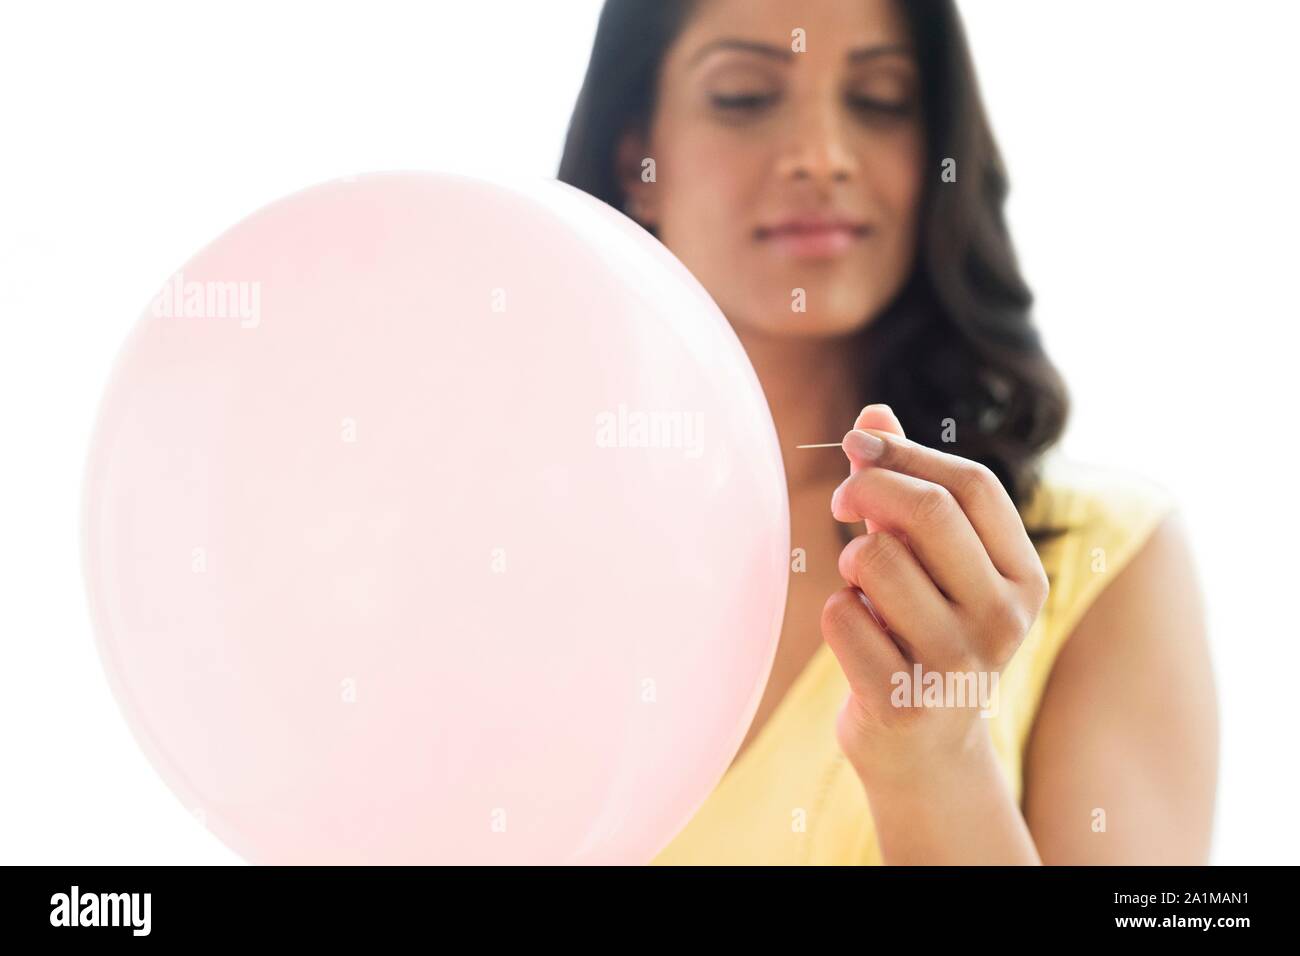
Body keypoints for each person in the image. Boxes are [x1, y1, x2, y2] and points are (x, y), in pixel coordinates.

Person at [558, 0, 1217, 864]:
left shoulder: (1098, 557)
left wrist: (933, 759)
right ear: (636, 158)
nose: (821, 157)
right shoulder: (523, 533)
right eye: (747, 96)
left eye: (880, 100)